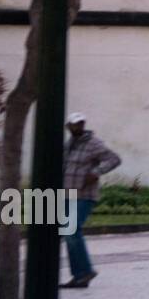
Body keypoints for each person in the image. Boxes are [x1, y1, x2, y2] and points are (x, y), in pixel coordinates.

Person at [60, 113, 122, 289]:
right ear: (69, 127)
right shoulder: (69, 145)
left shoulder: (93, 142)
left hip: (85, 194)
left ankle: (84, 271)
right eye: (74, 124)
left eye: (81, 123)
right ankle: (79, 275)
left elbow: (114, 159)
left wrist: (96, 172)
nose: (78, 126)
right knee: (68, 232)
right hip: (68, 193)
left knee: (71, 231)